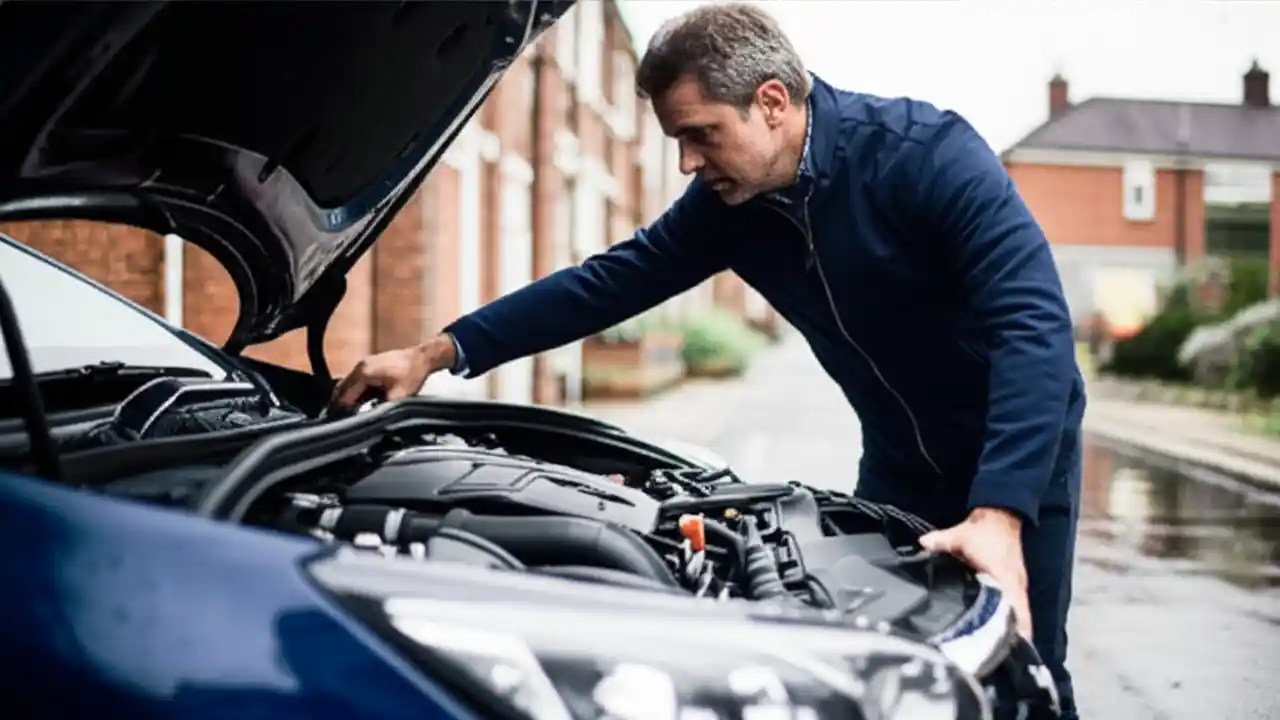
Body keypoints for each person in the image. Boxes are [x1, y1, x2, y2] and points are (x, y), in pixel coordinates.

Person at [331, 3, 1084, 716]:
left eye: (701, 134)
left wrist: (999, 511)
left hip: (1016, 456)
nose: (688, 162)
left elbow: (1034, 323)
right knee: (884, 664)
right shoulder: (733, 209)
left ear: (773, 103)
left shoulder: (927, 156)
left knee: (1024, 669)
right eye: (676, 141)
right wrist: (436, 352)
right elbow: (606, 283)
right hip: (898, 465)